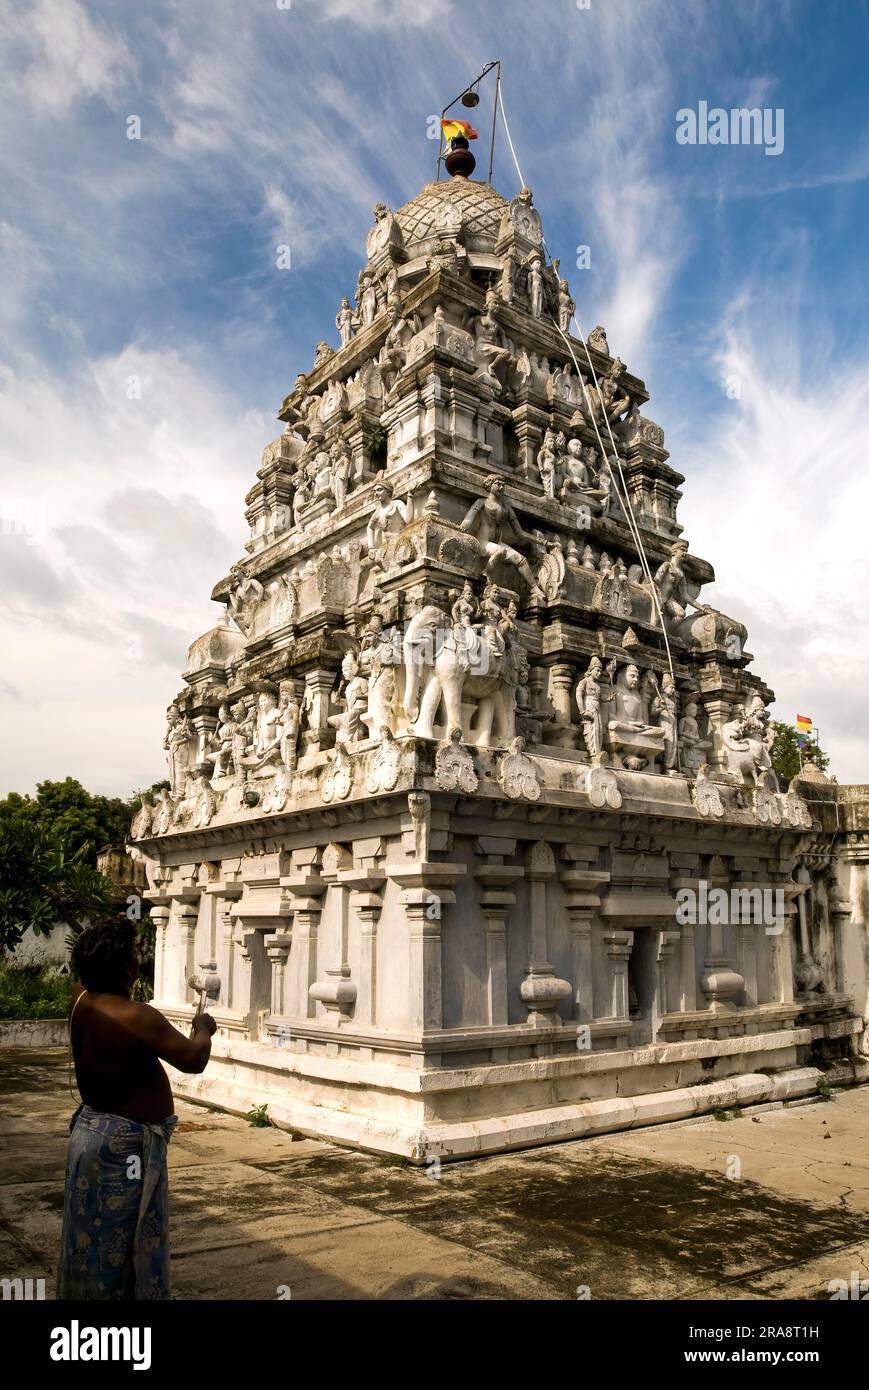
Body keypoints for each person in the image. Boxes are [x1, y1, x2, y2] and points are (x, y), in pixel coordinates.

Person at [57, 918, 216, 1300]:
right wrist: (204, 1028)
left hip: (91, 1135)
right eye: (133, 956)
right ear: (127, 968)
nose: (138, 961)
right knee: (126, 1244)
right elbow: (192, 1059)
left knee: (91, 1243)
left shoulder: (82, 1000)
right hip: (124, 1146)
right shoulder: (135, 1015)